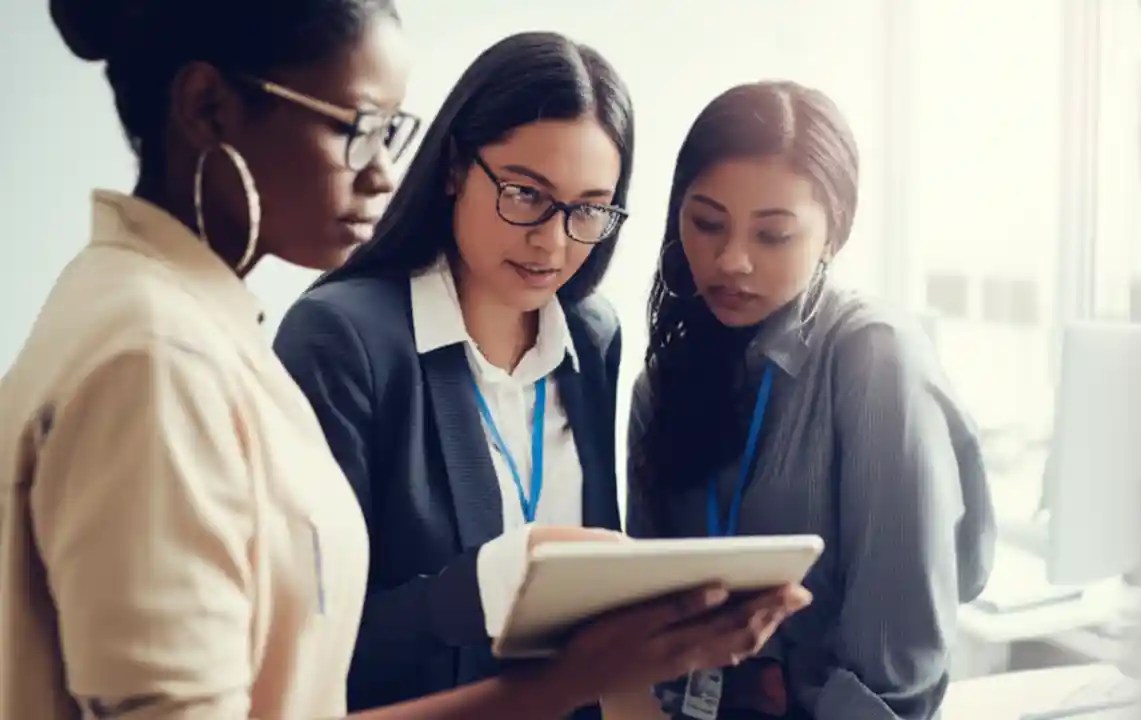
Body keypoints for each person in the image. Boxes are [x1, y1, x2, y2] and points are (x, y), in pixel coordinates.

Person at [0, 3, 809, 718]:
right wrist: (543, 656)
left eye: (590, 210)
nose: (383, 170)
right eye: (357, 126)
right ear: (207, 105)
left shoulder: (190, 324)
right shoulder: (161, 357)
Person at [275, 30, 790, 717]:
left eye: (588, 210)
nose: (552, 241)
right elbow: (302, 646)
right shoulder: (343, 341)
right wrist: (490, 582)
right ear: (456, 166)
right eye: (525, 194)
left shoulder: (590, 334)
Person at [626, 81, 996, 719]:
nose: (731, 260)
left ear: (834, 233)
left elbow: (898, 665)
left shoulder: (873, 358)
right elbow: (648, 622)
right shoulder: (662, 384)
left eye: (773, 236)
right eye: (707, 223)